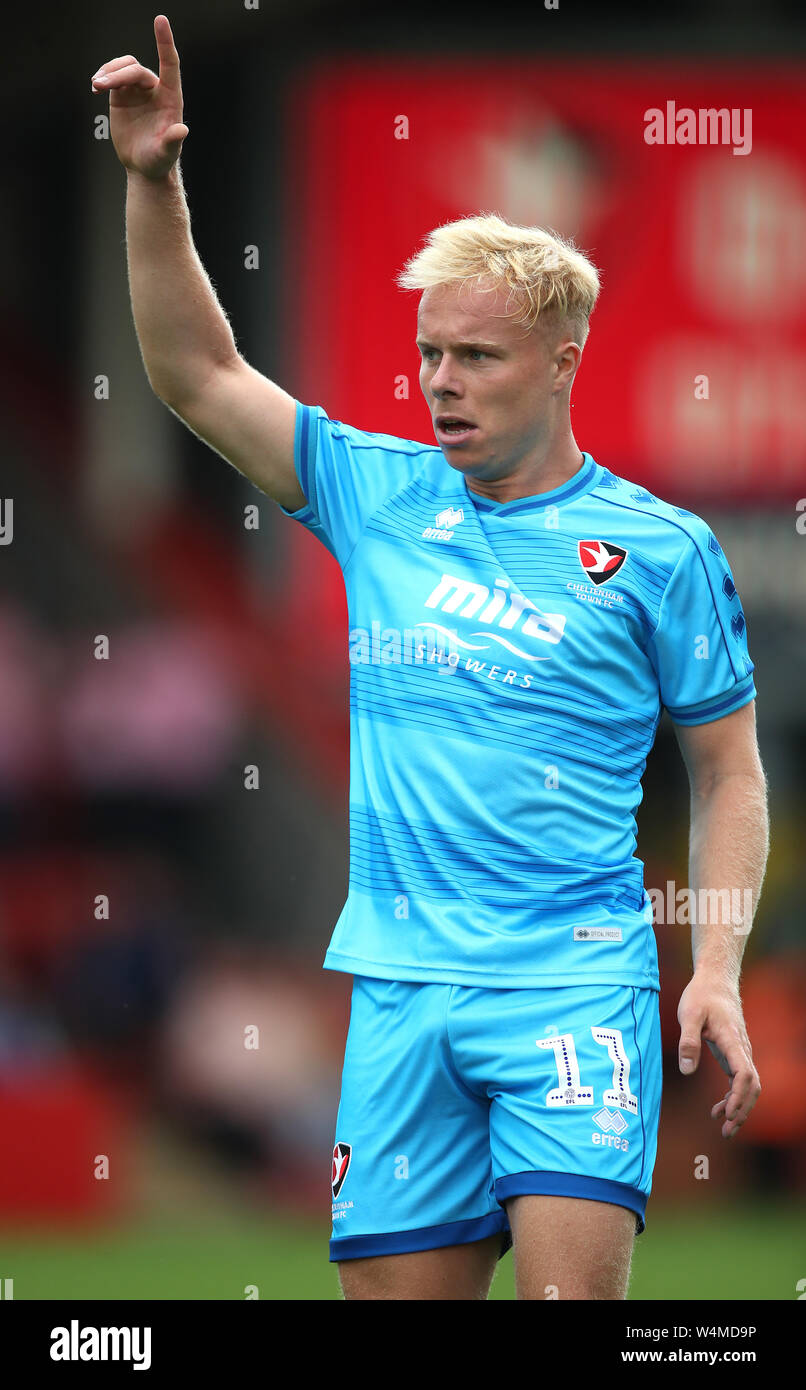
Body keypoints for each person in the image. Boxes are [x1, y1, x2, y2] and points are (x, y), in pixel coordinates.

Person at [92, 15, 769, 1300]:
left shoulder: (661, 548)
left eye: (475, 356)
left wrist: (718, 969)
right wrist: (152, 181)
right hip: (399, 994)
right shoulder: (375, 490)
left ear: (561, 360)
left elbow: (727, 775)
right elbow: (192, 369)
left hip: (572, 986)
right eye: (427, 354)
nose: (438, 383)